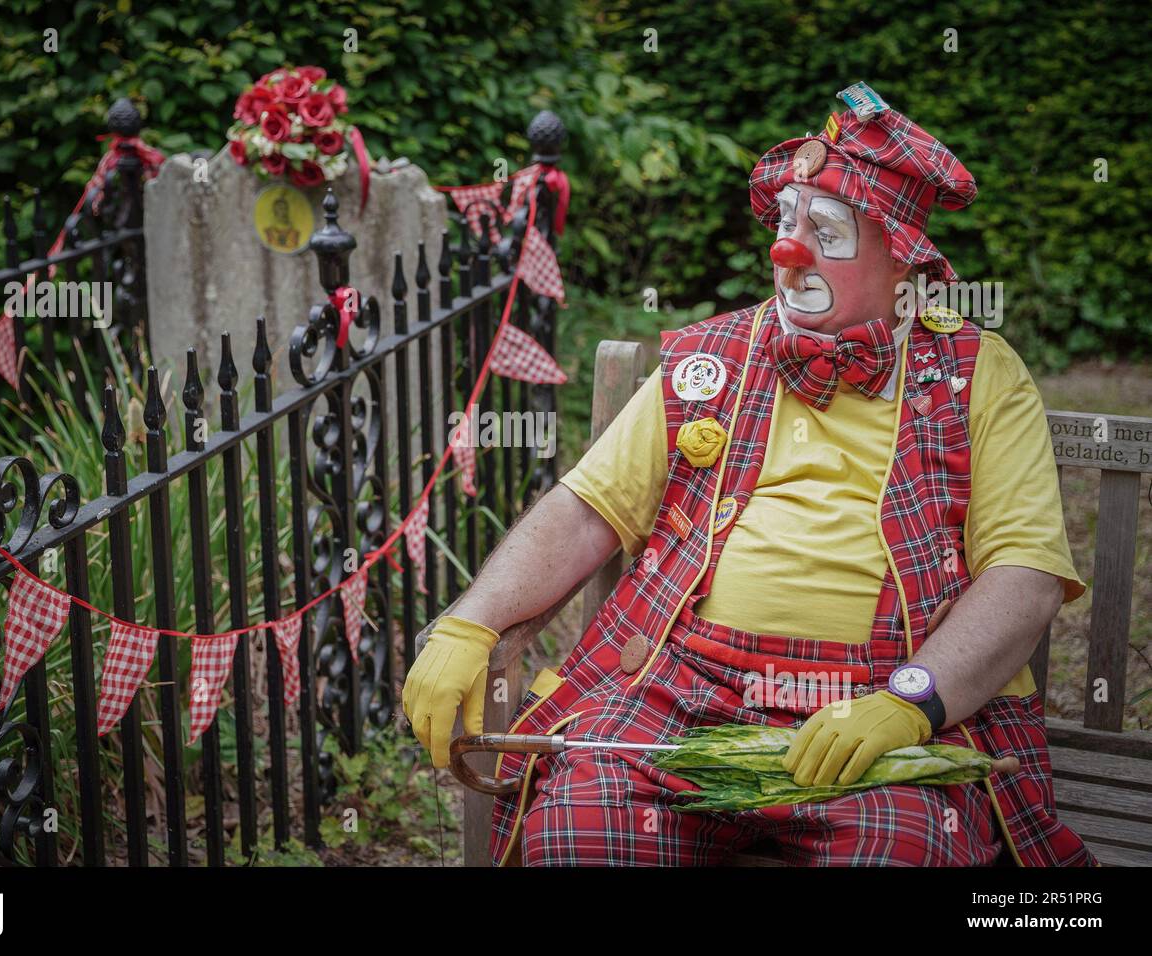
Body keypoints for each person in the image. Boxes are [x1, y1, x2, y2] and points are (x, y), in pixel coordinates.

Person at [402, 83, 1094, 867]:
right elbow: (588, 510)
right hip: (681, 683)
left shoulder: (976, 371)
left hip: (873, 701)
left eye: (825, 230)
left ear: (901, 256)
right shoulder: (715, 356)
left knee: (898, 854)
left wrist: (911, 704)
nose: (786, 249)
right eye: (787, 220)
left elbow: (1026, 573)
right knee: (577, 836)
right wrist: (473, 620)